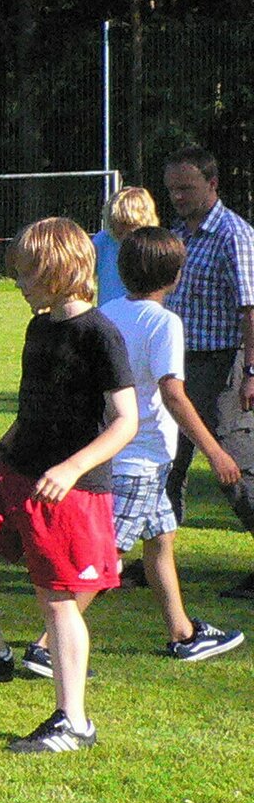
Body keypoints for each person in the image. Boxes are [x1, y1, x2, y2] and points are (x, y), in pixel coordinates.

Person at [0, 217, 137, 754]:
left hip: (70, 488)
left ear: (58, 270)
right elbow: (32, 408)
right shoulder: (38, 327)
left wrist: (69, 470)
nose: (17, 281)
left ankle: (74, 722)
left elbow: (125, 421)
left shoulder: (99, 334)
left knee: (58, 602)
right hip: (16, 467)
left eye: (25, 272)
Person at [17, 228, 242, 671]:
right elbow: (173, 393)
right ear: (176, 276)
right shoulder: (165, 323)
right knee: (106, 560)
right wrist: (216, 452)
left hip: (125, 457)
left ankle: (183, 633)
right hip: (139, 460)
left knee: (161, 539)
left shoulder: (109, 311)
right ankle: (46, 645)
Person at [159, 147, 254, 599]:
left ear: (213, 185)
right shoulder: (180, 234)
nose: (177, 196)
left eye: (187, 187)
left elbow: (251, 310)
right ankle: (158, 562)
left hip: (222, 366)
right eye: (172, 188)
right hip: (180, 365)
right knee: (167, 464)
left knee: (232, 464)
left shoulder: (233, 234)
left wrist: (251, 371)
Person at [91, 186, 159, 304]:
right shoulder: (103, 240)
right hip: (108, 317)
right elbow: (82, 274)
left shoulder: (155, 245)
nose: (119, 230)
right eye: (115, 223)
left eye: (127, 224)